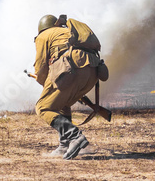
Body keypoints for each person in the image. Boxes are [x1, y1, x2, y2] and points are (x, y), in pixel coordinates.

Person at [33, 14, 103, 160]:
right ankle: (64, 145)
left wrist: (43, 81)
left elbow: (40, 67)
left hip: (70, 67)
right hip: (93, 71)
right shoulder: (68, 32)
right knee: (62, 104)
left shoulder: (44, 35)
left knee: (43, 108)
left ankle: (75, 136)